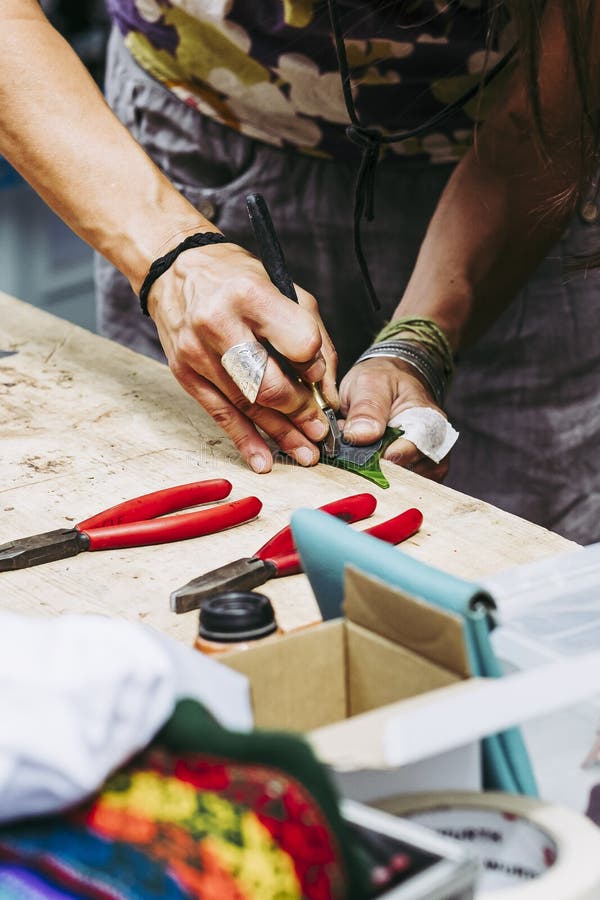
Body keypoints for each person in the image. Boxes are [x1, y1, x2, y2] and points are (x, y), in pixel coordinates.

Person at [2, 2, 599, 543]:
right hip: (187, 131)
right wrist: (168, 254)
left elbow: (553, 100)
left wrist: (423, 337)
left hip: (522, 167)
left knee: (518, 551)